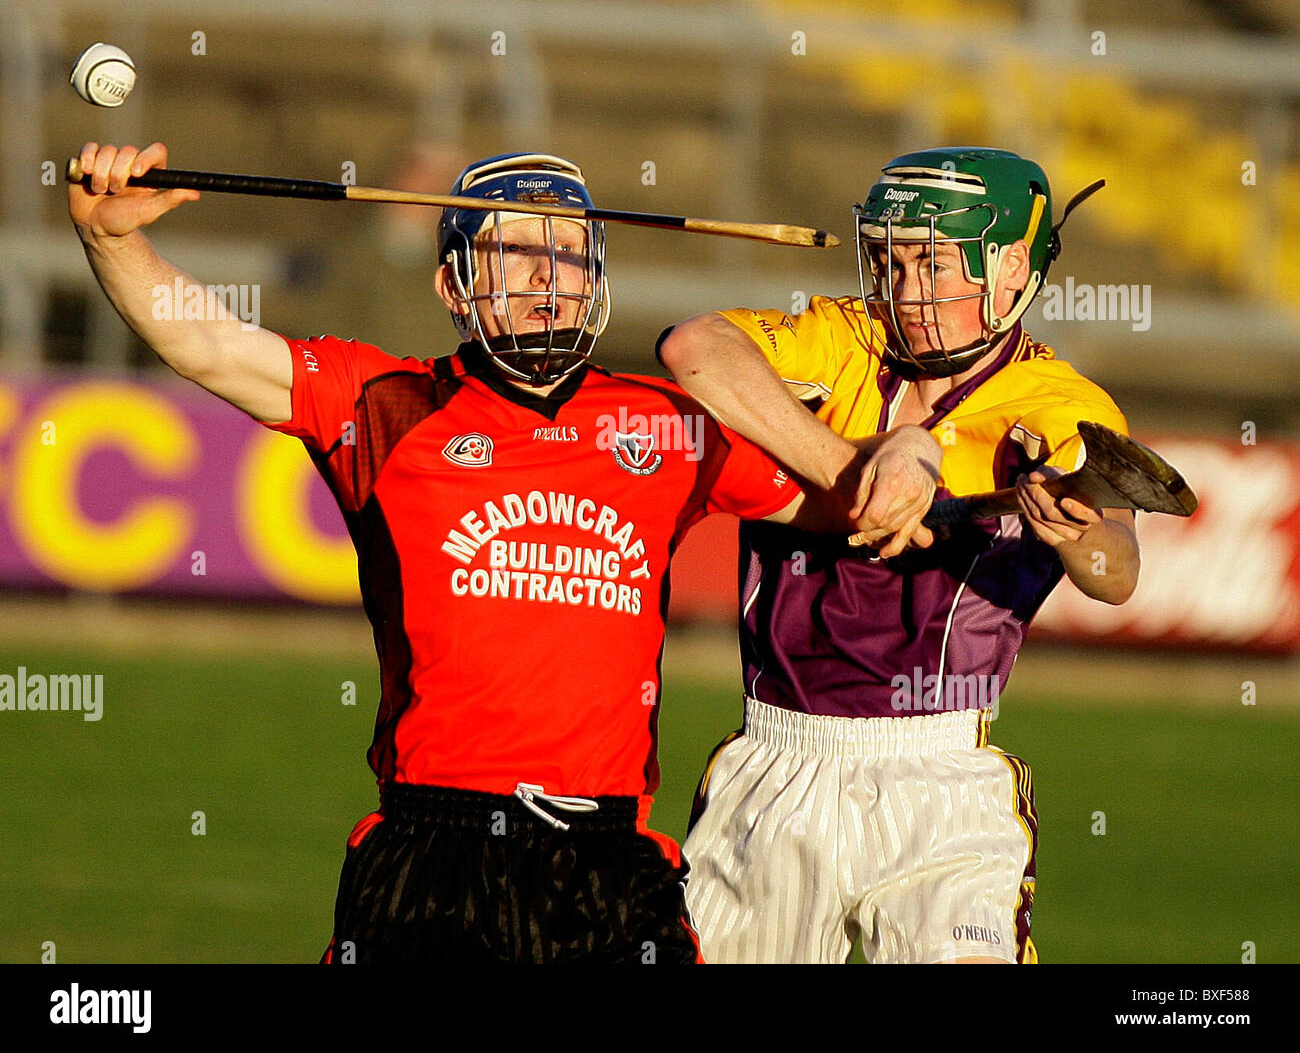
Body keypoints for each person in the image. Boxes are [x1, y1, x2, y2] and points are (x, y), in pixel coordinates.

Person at [67, 141, 935, 964]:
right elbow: (208, 344)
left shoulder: (671, 422)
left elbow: (857, 502)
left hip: (608, 863)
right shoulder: (382, 405)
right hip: (429, 858)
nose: (548, 274)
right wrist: (113, 240)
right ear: (454, 284)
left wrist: (912, 449)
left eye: (571, 252)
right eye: (515, 251)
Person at [658, 146, 1141, 965]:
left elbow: (1119, 574)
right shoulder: (842, 337)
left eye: (932, 262)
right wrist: (868, 468)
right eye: (889, 260)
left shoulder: (1061, 404)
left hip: (943, 778)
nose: (906, 291)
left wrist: (1080, 534)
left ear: (1011, 269)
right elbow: (694, 347)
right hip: (777, 761)